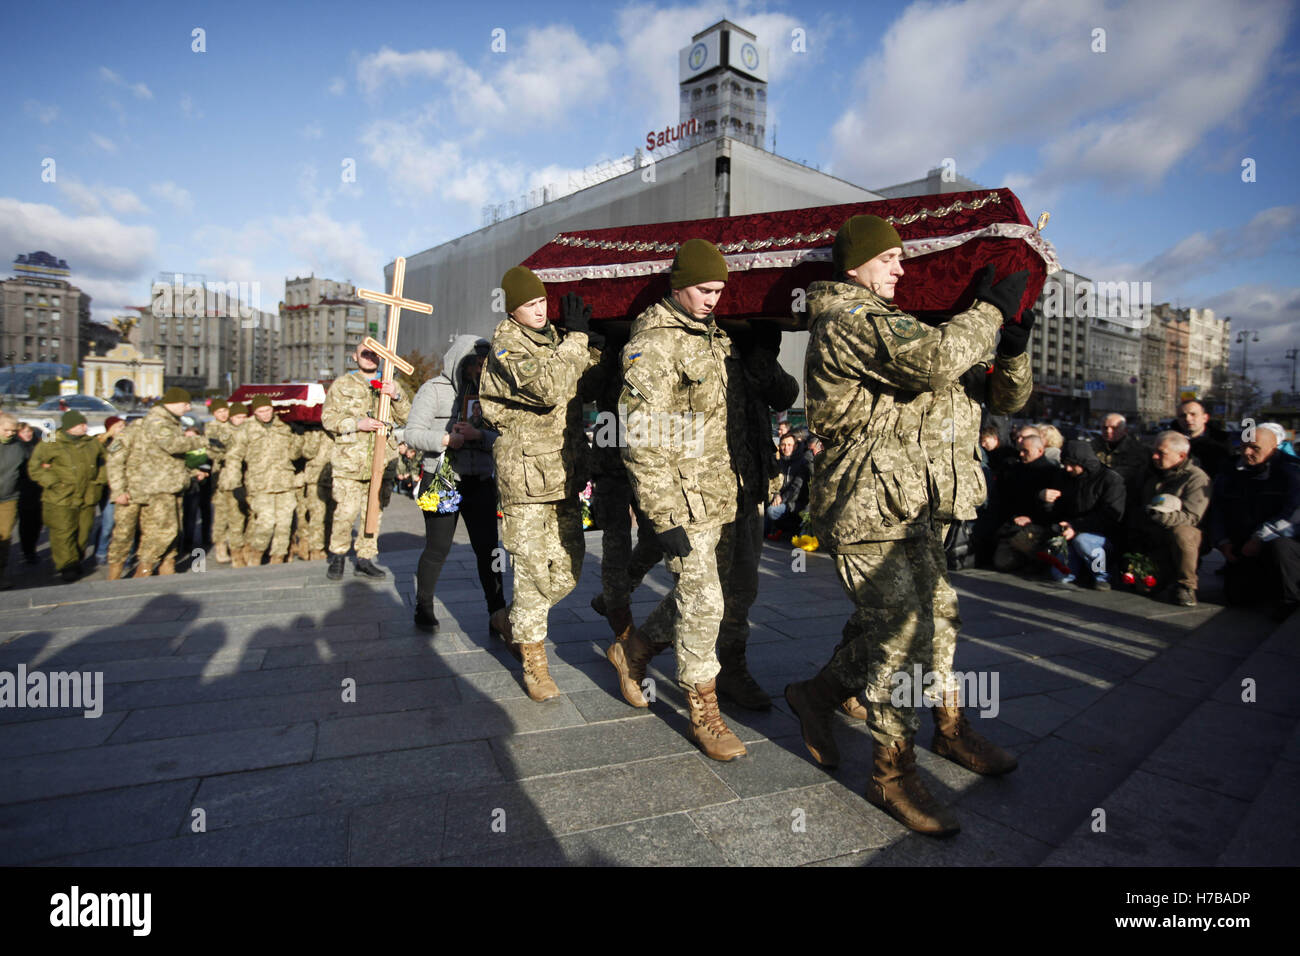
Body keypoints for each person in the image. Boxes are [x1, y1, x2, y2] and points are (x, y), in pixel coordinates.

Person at [785, 211, 1029, 835]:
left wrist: (1014, 343)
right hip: (867, 502)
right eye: (889, 258)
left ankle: (934, 724)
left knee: (933, 618)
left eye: (904, 260)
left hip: (912, 501)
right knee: (897, 635)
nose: (901, 267)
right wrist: (989, 312)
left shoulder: (910, 324)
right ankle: (891, 772)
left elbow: (1003, 398)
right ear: (854, 264)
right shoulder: (847, 318)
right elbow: (931, 364)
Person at [608, 239, 748, 760]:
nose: (714, 299)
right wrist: (662, 514)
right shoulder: (654, 343)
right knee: (705, 601)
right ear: (677, 284)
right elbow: (641, 435)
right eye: (704, 289)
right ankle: (703, 710)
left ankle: (636, 650)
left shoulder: (708, 335)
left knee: (705, 597)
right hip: (679, 500)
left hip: (715, 492)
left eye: (720, 291)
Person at [479, 267, 601, 701]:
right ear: (511, 308)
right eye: (529, 304)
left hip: (563, 474)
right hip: (526, 479)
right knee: (531, 574)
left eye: (542, 302)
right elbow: (548, 386)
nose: (539, 309)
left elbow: (578, 376)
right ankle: (534, 661)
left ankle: (514, 620)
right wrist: (579, 339)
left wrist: (593, 346)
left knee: (568, 569)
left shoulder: (553, 339)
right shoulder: (507, 345)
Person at [397, 335, 507, 636]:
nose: (480, 368)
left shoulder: (492, 393)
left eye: (486, 363)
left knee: (488, 549)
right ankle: (424, 605)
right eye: (475, 362)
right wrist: (446, 439)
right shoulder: (433, 390)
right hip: (443, 480)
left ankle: (497, 611)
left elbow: (503, 437)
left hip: (480, 479)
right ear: (461, 362)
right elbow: (412, 434)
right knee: (438, 547)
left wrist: (478, 436)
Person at [587, 323, 663, 645]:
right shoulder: (600, 347)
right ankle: (622, 628)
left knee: (657, 539)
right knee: (616, 544)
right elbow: (586, 390)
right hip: (612, 459)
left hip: (648, 458)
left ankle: (612, 596)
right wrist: (601, 350)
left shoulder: (653, 338)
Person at [321, 344, 411, 579]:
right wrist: (356, 424)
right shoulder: (343, 384)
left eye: (374, 354)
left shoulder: (390, 384)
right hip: (350, 460)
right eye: (365, 353)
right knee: (346, 511)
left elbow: (407, 417)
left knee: (374, 511)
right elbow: (328, 418)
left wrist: (396, 396)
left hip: (381, 461)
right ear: (355, 356)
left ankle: (365, 557)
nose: (370, 358)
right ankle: (338, 555)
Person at [1209, 422, 1300, 616]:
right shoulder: (1229, 472)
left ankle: (1289, 600)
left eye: (1254, 448)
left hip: (1275, 540)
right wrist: (1223, 542)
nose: (1247, 452)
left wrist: (1259, 537)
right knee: (1239, 598)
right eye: (1243, 447)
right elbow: (1217, 509)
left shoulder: (1291, 473)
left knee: (1281, 546)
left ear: (1273, 449)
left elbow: (1292, 514)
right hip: (1243, 543)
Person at [1127, 430, 1211, 606]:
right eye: (1154, 452)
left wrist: (1157, 515)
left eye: (1161, 453)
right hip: (1152, 537)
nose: (1155, 456)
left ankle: (1186, 585)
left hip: (1182, 535)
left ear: (1181, 456)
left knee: (1183, 534)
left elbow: (1192, 517)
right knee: (1144, 586)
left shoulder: (1196, 478)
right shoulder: (1148, 473)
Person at [130, 387, 207, 576]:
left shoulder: (169, 422)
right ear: (173, 402)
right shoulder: (158, 422)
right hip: (159, 485)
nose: (188, 408)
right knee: (164, 530)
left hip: (170, 483)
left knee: (169, 529)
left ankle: (166, 567)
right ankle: (144, 570)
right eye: (186, 404)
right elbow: (173, 446)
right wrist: (203, 441)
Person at [221, 395, 305, 565]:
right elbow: (234, 456)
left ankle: (277, 558)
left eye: (267, 410)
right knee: (266, 523)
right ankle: (256, 555)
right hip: (260, 484)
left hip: (284, 482)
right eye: (261, 411)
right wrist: (234, 481)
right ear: (255, 412)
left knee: (284, 524)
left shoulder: (283, 426)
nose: (265, 414)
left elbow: (294, 455)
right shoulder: (246, 428)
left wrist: (298, 436)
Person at [27, 411, 107, 582]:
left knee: (84, 531)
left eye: (85, 424)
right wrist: (54, 483)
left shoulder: (92, 442)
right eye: (81, 425)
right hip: (61, 496)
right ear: (70, 427)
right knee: (63, 532)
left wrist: (100, 480)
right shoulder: (51, 442)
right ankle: (66, 565)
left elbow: (105, 461)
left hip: (87, 495)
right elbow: (35, 468)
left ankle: (76, 558)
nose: (85, 427)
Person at [1048, 440, 1127, 589]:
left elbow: (1111, 516)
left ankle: (1102, 575)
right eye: (1065, 464)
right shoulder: (1063, 477)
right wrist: (1047, 501)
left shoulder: (1110, 479)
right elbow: (1056, 511)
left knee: (1083, 541)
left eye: (1072, 464)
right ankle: (1082, 569)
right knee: (1061, 576)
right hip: (1070, 533)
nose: (1068, 468)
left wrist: (1076, 526)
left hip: (1101, 536)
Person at [104, 416, 143, 580]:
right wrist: (119, 491)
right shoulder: (123, 440)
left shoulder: (150, 439)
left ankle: (141, 569)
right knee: (122, 532)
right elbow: (114, 465)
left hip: (149, 493)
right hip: (127, 493)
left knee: (147, 533)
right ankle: (115, 573)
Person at [206, 399, 238, 563]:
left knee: (235, 513)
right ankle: (220, 546)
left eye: (225, 410)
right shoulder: (212, 428)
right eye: (219, 412)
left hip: (236, 475)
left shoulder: (233, 426)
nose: (223, 414)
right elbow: (213, 452)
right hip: (221, 475)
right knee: (221, 514)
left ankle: (234, 546)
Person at [294, 426, 332, 562]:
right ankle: (315, 549)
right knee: (317, 516)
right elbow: (307, 453)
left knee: (331, 517)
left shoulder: (342, 429)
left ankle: (328, 547)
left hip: (335, 478)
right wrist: (315, 436)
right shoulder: (312, 431)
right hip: (315, 479)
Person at [93, 416, 126, 564]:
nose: (123, 429)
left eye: (124, 426)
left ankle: (121, 554)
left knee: (123, 524)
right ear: (111, 428)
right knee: (108, 524)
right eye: (119, 426)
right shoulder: (100, 442)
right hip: (108, 489)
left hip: (125, 487)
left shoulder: (127, 442)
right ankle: (101, 552)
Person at [1176, 399, 1231, 481]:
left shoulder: (1221, 441)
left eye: (1193, 414)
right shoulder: (1168, 441)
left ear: (1205, 418)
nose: (1187, 418)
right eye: (1182, 416)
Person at [766, 431, 807, 538]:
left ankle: (792, 528)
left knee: (772, 511)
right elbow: (774, 484)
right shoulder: (780, 462)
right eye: (783, 445)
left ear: (796, 446)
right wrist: (776, 495)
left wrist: (781, 499)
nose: (786, 448)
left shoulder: (802, 462)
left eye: (789, 445)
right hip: (782, 500)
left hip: (797, 503)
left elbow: (796, 488)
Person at [1091, 413, 1147, 492]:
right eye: (1105, 427)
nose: (1108, 431)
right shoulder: (1091, 448)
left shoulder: (1138, 450)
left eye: (1114, 428)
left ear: (1125, 430)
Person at [0, 412, 25, 588]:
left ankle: (0, 574)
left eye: (13, 431)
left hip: (8, 498)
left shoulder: (18, 447)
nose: (10, 434)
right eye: (6, 430)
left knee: (5, 537)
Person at [16, 422, 42, 564]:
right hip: (23, 489)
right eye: (23, 431)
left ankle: (31, 549)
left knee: (37, 522)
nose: (27, 434)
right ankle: (28, 551)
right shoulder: (16, 447)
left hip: (38, 488)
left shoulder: (38, 445)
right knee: (26, 522)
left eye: (29, 431)